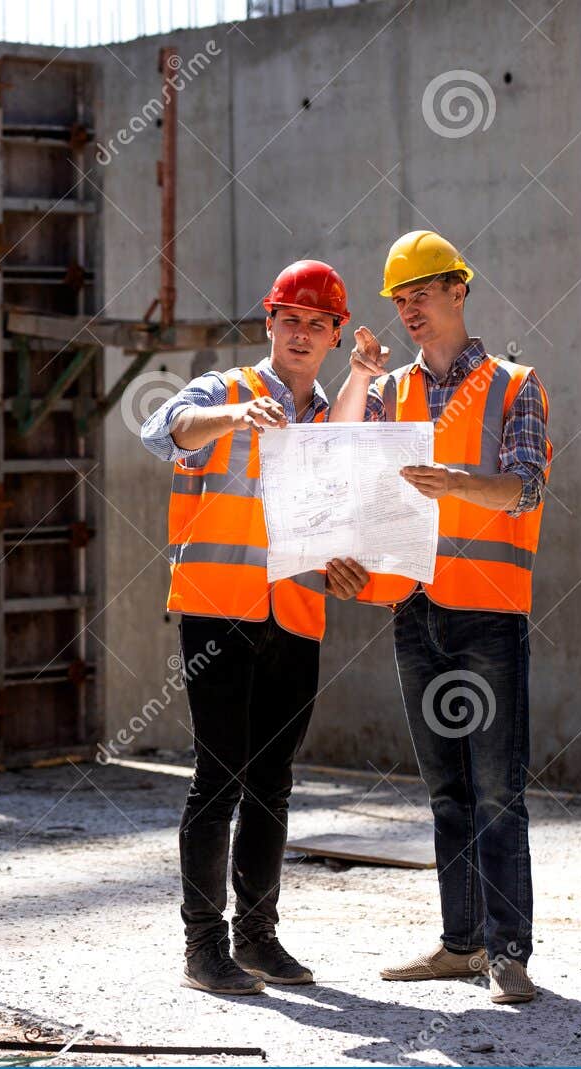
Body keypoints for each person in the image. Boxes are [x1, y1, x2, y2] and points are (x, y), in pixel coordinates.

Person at [139, 260, 378, 995]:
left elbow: (350, 506)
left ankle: (257, 937)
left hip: (296, 614)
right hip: (218, 607)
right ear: (268, 323)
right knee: (219, 778)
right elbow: (162, 429)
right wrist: (233, 420)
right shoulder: (227, 391)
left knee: (272, 782)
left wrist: (350, 566)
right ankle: (202, 945)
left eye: (318, 324)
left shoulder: (337, 419)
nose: (301, 334)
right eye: (290, 320)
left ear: (336, 336)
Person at [331, 230, 552, 1005]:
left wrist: (457, 480)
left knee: (496, 790)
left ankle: (508, 952)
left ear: (459, 289)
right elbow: (340, 458)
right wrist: (357, 377)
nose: (408, 309)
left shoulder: (513, 384)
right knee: (446, 792)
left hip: (488, 613)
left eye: (421, 292)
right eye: (398, 298)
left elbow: (522, 487)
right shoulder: (389, 392)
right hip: (413, 610)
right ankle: (461, 945)